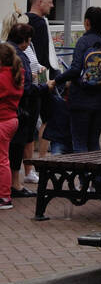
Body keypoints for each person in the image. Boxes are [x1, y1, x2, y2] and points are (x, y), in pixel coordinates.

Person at [48, 6, 101, 153]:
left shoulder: (83, 41)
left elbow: (75, 70)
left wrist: (56, 81)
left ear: (87, 22)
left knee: (79, 142)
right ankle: (96, 176)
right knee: (94, 142)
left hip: (81, 100)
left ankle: (83, 176)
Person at [26, 0, 63, 152]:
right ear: (40, 3)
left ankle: (27, 166)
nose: (53, 5)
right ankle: (42, 160)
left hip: (26, 76)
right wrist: (44, 84)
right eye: (50, 2)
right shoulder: (40, 23)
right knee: (47, 118)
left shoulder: (23, 20)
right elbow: (41, 55)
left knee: (27, 122)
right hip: (40, 77)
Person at [6, 22, 40, 197]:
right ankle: (14, 185)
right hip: (16, 110)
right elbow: (25, 88)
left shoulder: (5, 51)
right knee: (15, 147)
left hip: (9, 109)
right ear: (25, 40)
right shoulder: (17, 55)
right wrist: (43, 87)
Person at [0, 42, 26, 208]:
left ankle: (4, 196)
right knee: (4, 158)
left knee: (2, 160)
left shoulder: (2, 77)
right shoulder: (16, 75)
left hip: (2, 121)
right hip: (12, 119)